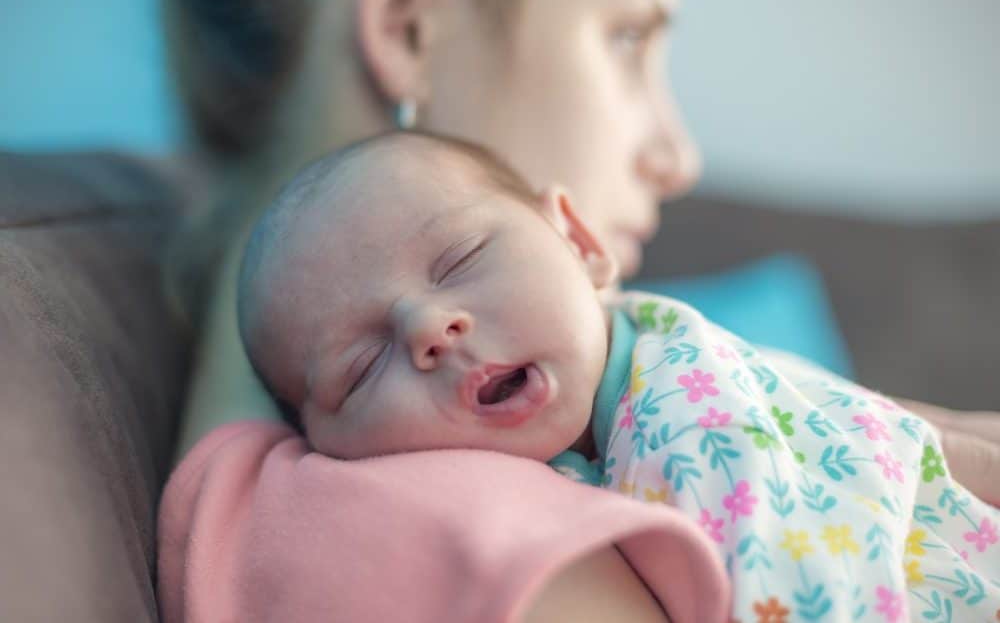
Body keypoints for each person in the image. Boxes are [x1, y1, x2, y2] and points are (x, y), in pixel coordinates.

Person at [162, 0, 1000, 620]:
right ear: (408, 21)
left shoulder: (611, 381)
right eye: (627, 36)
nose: (678, 156)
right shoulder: (381, 515)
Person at [217, 131, 996, 621]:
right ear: (323, 445)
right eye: (360, 369)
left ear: (580, 243)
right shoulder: (499, 522)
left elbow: (906, 438)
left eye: (460, 260)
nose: (428, 327)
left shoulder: (686, 360)